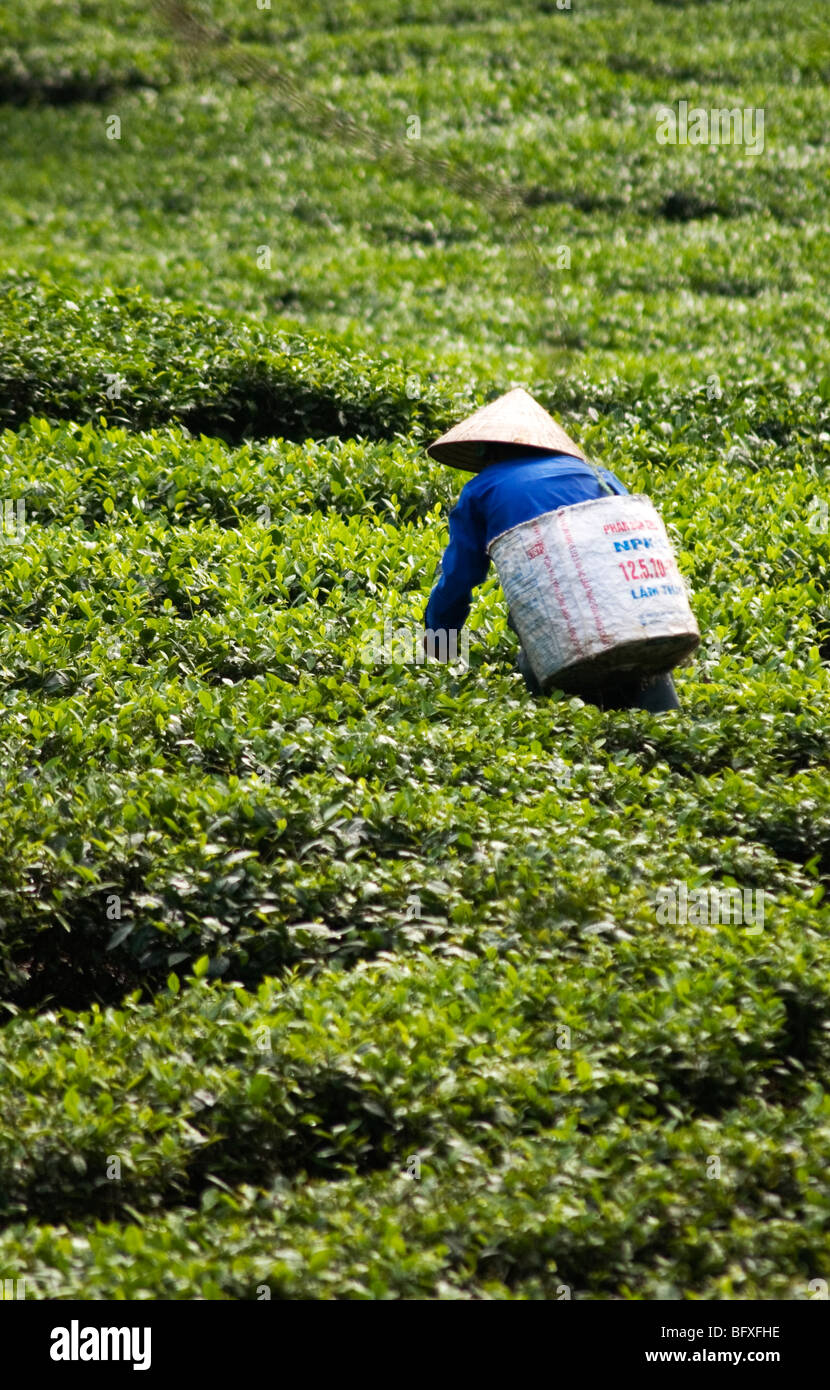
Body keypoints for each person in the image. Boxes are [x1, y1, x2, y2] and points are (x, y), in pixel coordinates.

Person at [423, 388, 680, 712]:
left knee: (554, 675)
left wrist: (438, 642)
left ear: (486, 450)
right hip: (631, 614)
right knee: (652, 696)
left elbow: (460, 577)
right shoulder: (601, 476)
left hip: (558, 619)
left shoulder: (480, 490)